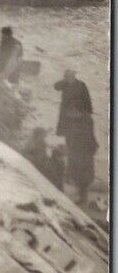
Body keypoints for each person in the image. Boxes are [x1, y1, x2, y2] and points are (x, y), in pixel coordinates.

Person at [55, 70, 97, 204]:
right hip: (80, 145)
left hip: (83, 148)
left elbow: (88, 106)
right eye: (65, 77)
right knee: (76, 167)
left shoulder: (83, 119)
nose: (67, 79)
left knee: (81, 169)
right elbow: (56, 86)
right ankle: (79, 192)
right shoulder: (66, 86)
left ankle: (82, 195)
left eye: (69, 77)